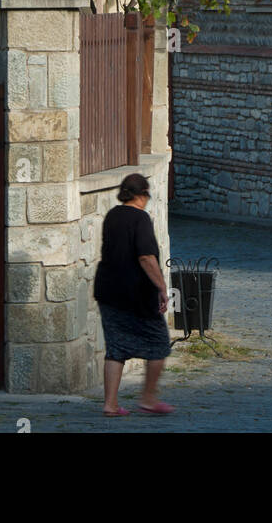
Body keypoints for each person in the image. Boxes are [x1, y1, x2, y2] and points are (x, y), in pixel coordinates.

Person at [93, 172, 174, 416]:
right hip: (135, 295)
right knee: (159, 344)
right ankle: (148, 398)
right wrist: (162, 287)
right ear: (142, 195)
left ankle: (110, 404)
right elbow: (146, 257)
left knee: (116, 348)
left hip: (108, 291)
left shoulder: (112, 215)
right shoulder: (140, 219)